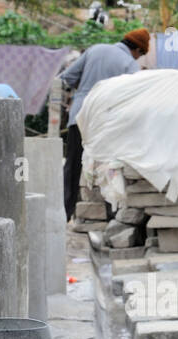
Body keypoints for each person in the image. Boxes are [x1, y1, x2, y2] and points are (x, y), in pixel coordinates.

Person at [60, 28, 148, 221]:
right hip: (105, 123)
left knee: (73, 165)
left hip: (80, 116)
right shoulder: (130, 65)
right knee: (109, 167)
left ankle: (65, 214)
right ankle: (111, 216)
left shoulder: (95, 49)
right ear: (138, 50)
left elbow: (67, 77)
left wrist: (84, 88)